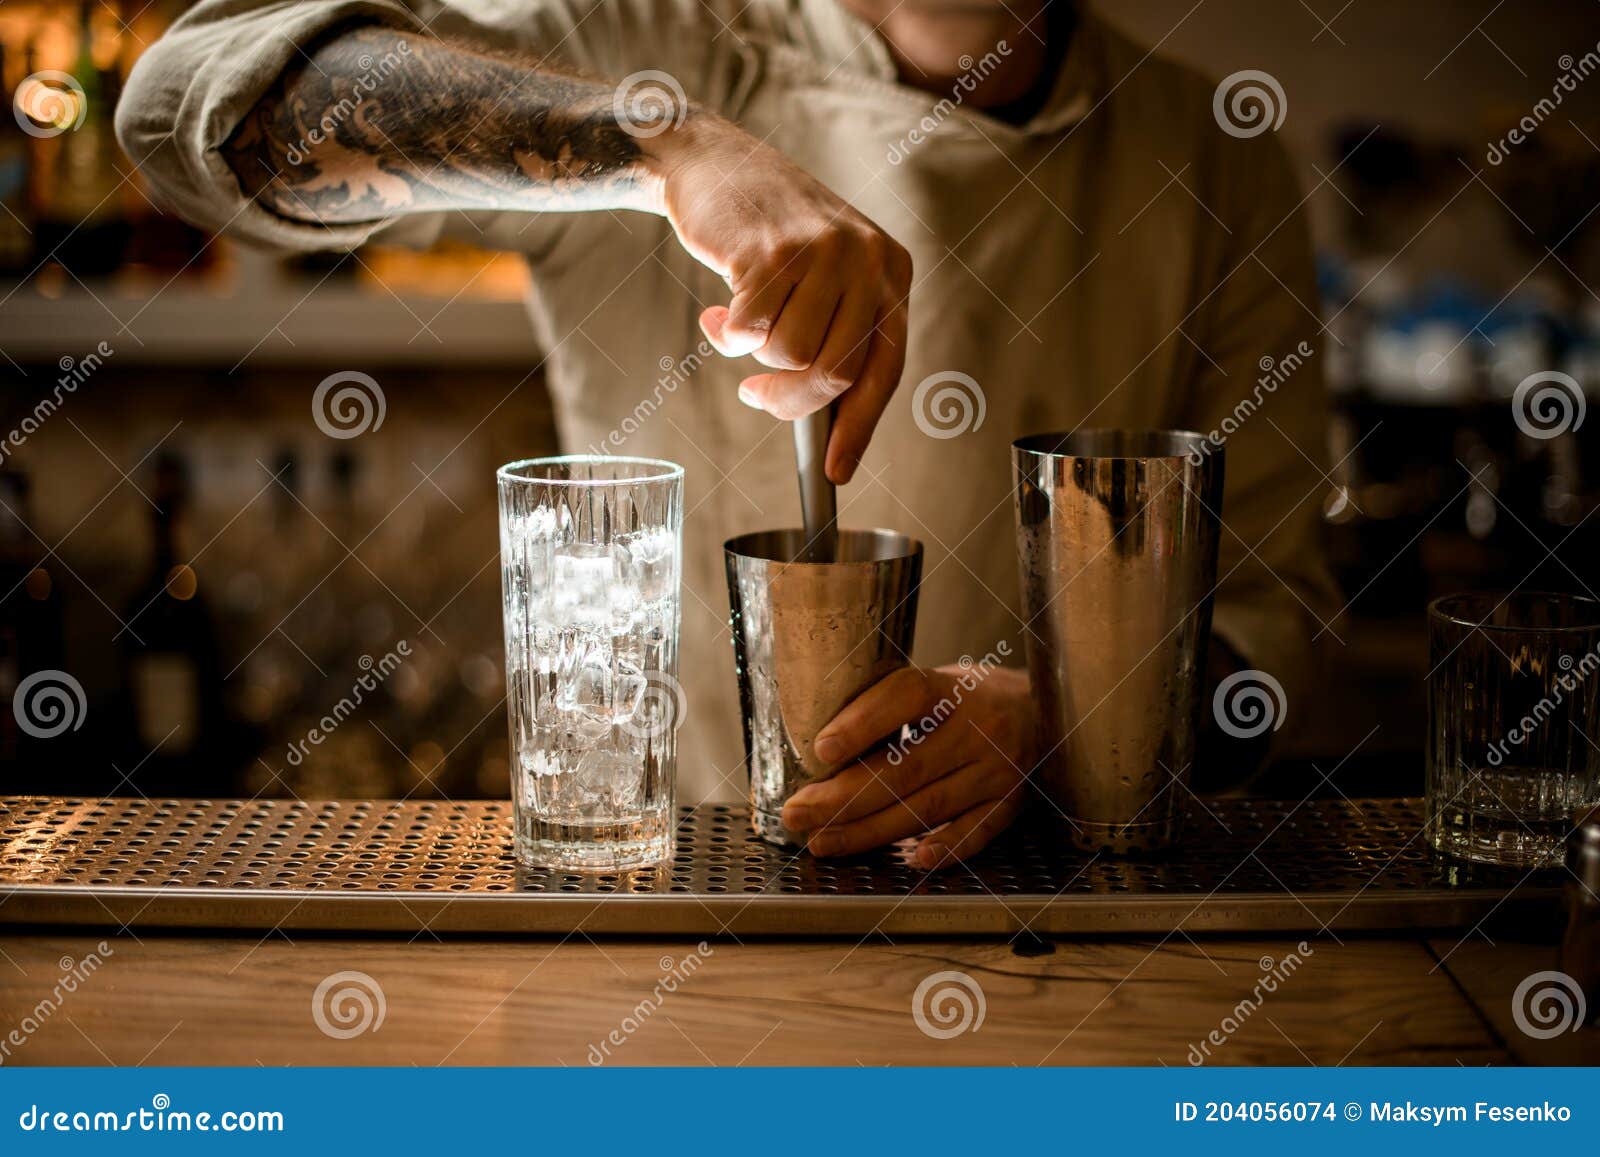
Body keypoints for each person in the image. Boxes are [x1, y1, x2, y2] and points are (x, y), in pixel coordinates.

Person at [119, 0, 1339, 868]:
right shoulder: (657, 45)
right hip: (673, 894)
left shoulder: (1214, 154)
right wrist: (661, 147)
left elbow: (1277, 642)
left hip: (1064, 937)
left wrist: (1058, 721)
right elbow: (191, 116)